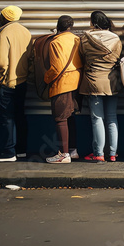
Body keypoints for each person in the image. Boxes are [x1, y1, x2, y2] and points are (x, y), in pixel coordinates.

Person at [79, 11, 122, 163]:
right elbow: (117, 58)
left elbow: (82, 57)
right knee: (112, 118)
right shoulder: (116, 39)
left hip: (93, 81)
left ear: (93, 23)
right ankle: (112, 153)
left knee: (97, 119)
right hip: (111, 81)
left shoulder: (85, 39)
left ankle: (98, 153)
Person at [0, 5, 31, 162]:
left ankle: (8, 152)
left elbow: (0, 62)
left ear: (4, 18)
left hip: (6, 83)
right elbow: (31, 58)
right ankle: (21, 150)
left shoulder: (3, 34)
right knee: (20, 115)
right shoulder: (26, 32)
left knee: (7, 117)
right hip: (22, 82)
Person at [44, 15, 83, 164]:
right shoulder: (77, 39)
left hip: (62, 83)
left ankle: (63, 155)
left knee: (60, 119)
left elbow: (56, 68)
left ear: (58, 26)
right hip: (76, 82)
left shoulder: (55, 42)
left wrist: (46, 79)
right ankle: (72, 151)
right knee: (70, 117)